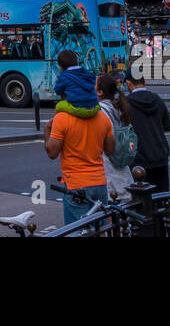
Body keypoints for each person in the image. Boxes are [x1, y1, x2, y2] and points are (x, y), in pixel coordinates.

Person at [45, 68, 114, 226]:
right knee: (101, 229)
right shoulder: (102, 117)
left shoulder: (62, 118)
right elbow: (110, 149)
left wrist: (47, 131)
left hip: (76, 185)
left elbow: (52, 152)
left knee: (78, 230)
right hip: (100, 183)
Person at [123, 72, 170, 192]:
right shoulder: (157, 99)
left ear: (129, 83)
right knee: (162, 197)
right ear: (144, 81)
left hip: (139, 158)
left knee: (143, 199)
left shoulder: (126, 103)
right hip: (160, 154)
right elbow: (168, 126)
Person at [96, 75, 134, 198]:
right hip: (123, 171)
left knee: (110, 212)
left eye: (93, 85)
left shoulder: (100, 111)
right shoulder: (118, 108)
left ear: (100, 92)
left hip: (108, 170)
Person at [52, 49, 98, 116]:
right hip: (94, 107)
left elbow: (57, 90)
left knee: (58, 106)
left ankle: (52, 124)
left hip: (78, 108)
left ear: (61, 65)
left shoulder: (64, 76)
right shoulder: (87, 73)